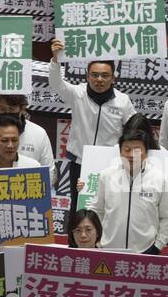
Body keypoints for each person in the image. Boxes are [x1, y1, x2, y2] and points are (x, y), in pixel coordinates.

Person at [48, 38, 136, 187]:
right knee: (79, 205)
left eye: (105, 75)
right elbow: (56, 84)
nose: (99, 80)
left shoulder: (123, 101)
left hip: (111, 164)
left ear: (113, 78)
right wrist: (56, 58)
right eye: (94, 75)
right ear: (87, 76)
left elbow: (134, 130)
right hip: (80, 161)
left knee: (108, 205)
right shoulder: (77, 94)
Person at [88, 129, 168, 253]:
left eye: (137, 150)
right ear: (120, 152)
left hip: (146, 250)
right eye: (126, 149)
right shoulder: (106, 176)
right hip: (107, 248)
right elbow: (96, 210)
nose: (131, 154)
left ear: (146, 153)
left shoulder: (160, 179)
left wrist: (158, 245)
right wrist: (97, 240)